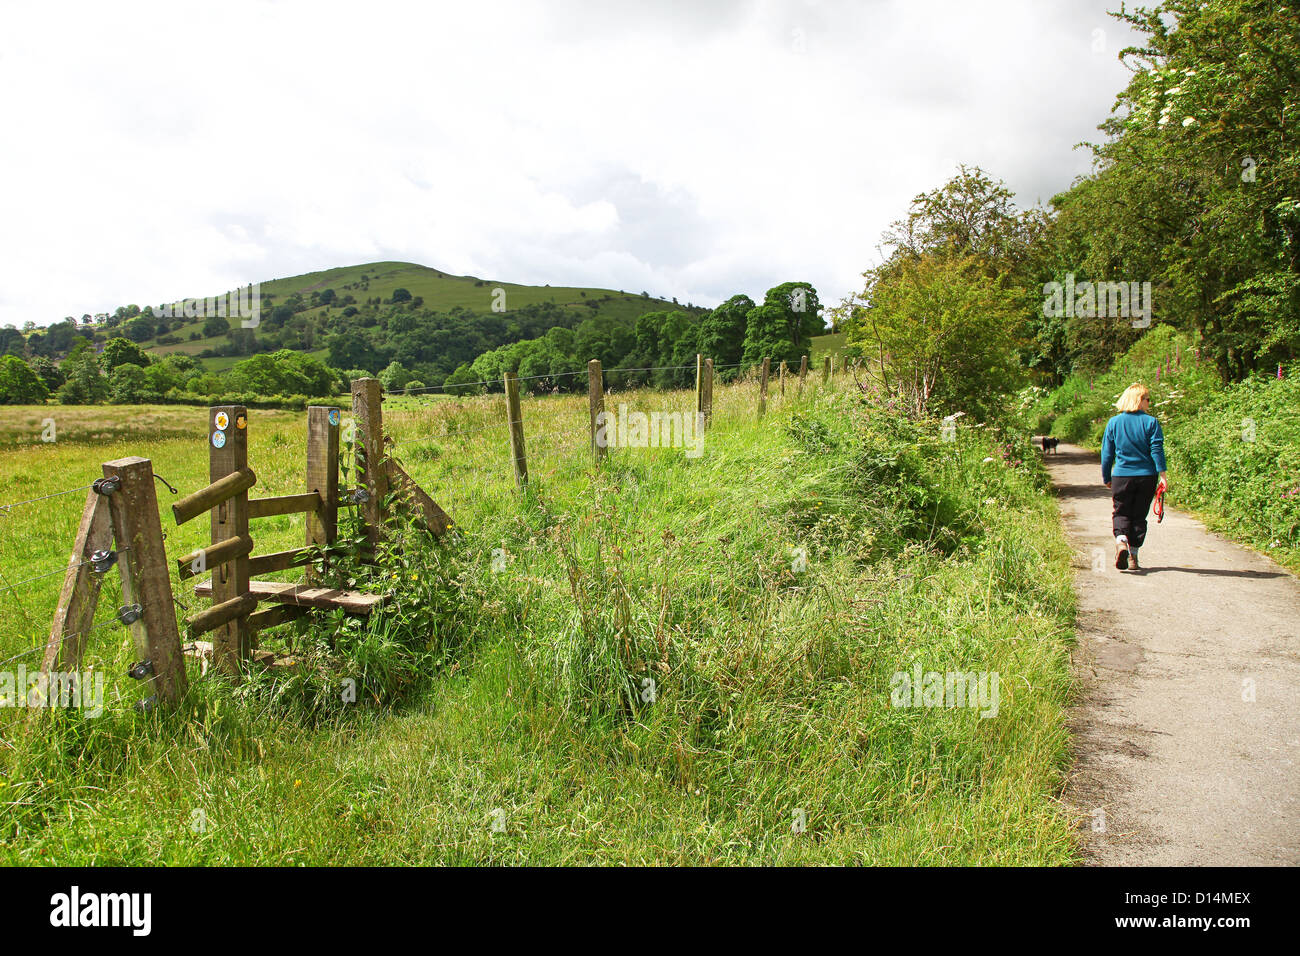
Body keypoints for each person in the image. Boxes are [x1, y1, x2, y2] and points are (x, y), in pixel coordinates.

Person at [1101, 383, 1168, 571]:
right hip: (1146, 476)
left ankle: (1121, 541)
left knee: (1121, 512)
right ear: (1139, 401)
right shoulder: (1151, 423)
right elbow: (1156, 449)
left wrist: (1107, 477)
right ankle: (1134, 557)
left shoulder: (1114, 423)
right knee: (1139, 516)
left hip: (1122, 476)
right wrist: (1162, 475)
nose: (1149, 402)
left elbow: (1107, 453)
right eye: (1147, 399)